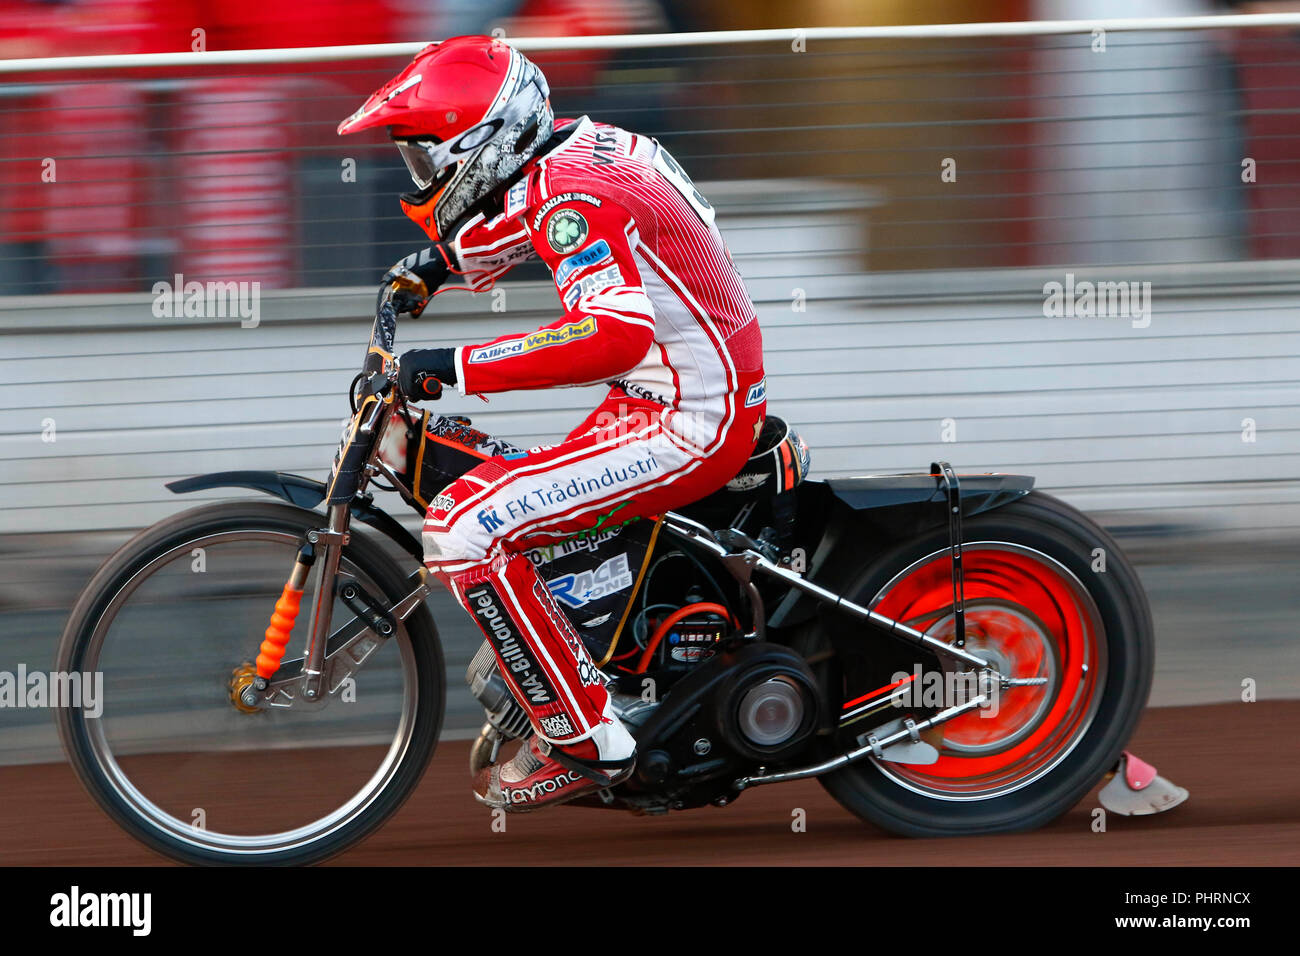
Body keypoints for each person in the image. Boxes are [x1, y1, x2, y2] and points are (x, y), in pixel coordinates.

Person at [338, 35, 766, 811]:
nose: (420, 179)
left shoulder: (573, 195)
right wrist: (437, 266)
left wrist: (455, 366)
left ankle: (587, 739)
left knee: (465, 526)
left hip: (687, 418)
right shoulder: (578, 150)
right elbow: (524, 214)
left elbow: (613, 333)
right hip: (676, 392)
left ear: (482, 144)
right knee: (500, 488)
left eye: (425, 161)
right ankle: (579, 654)